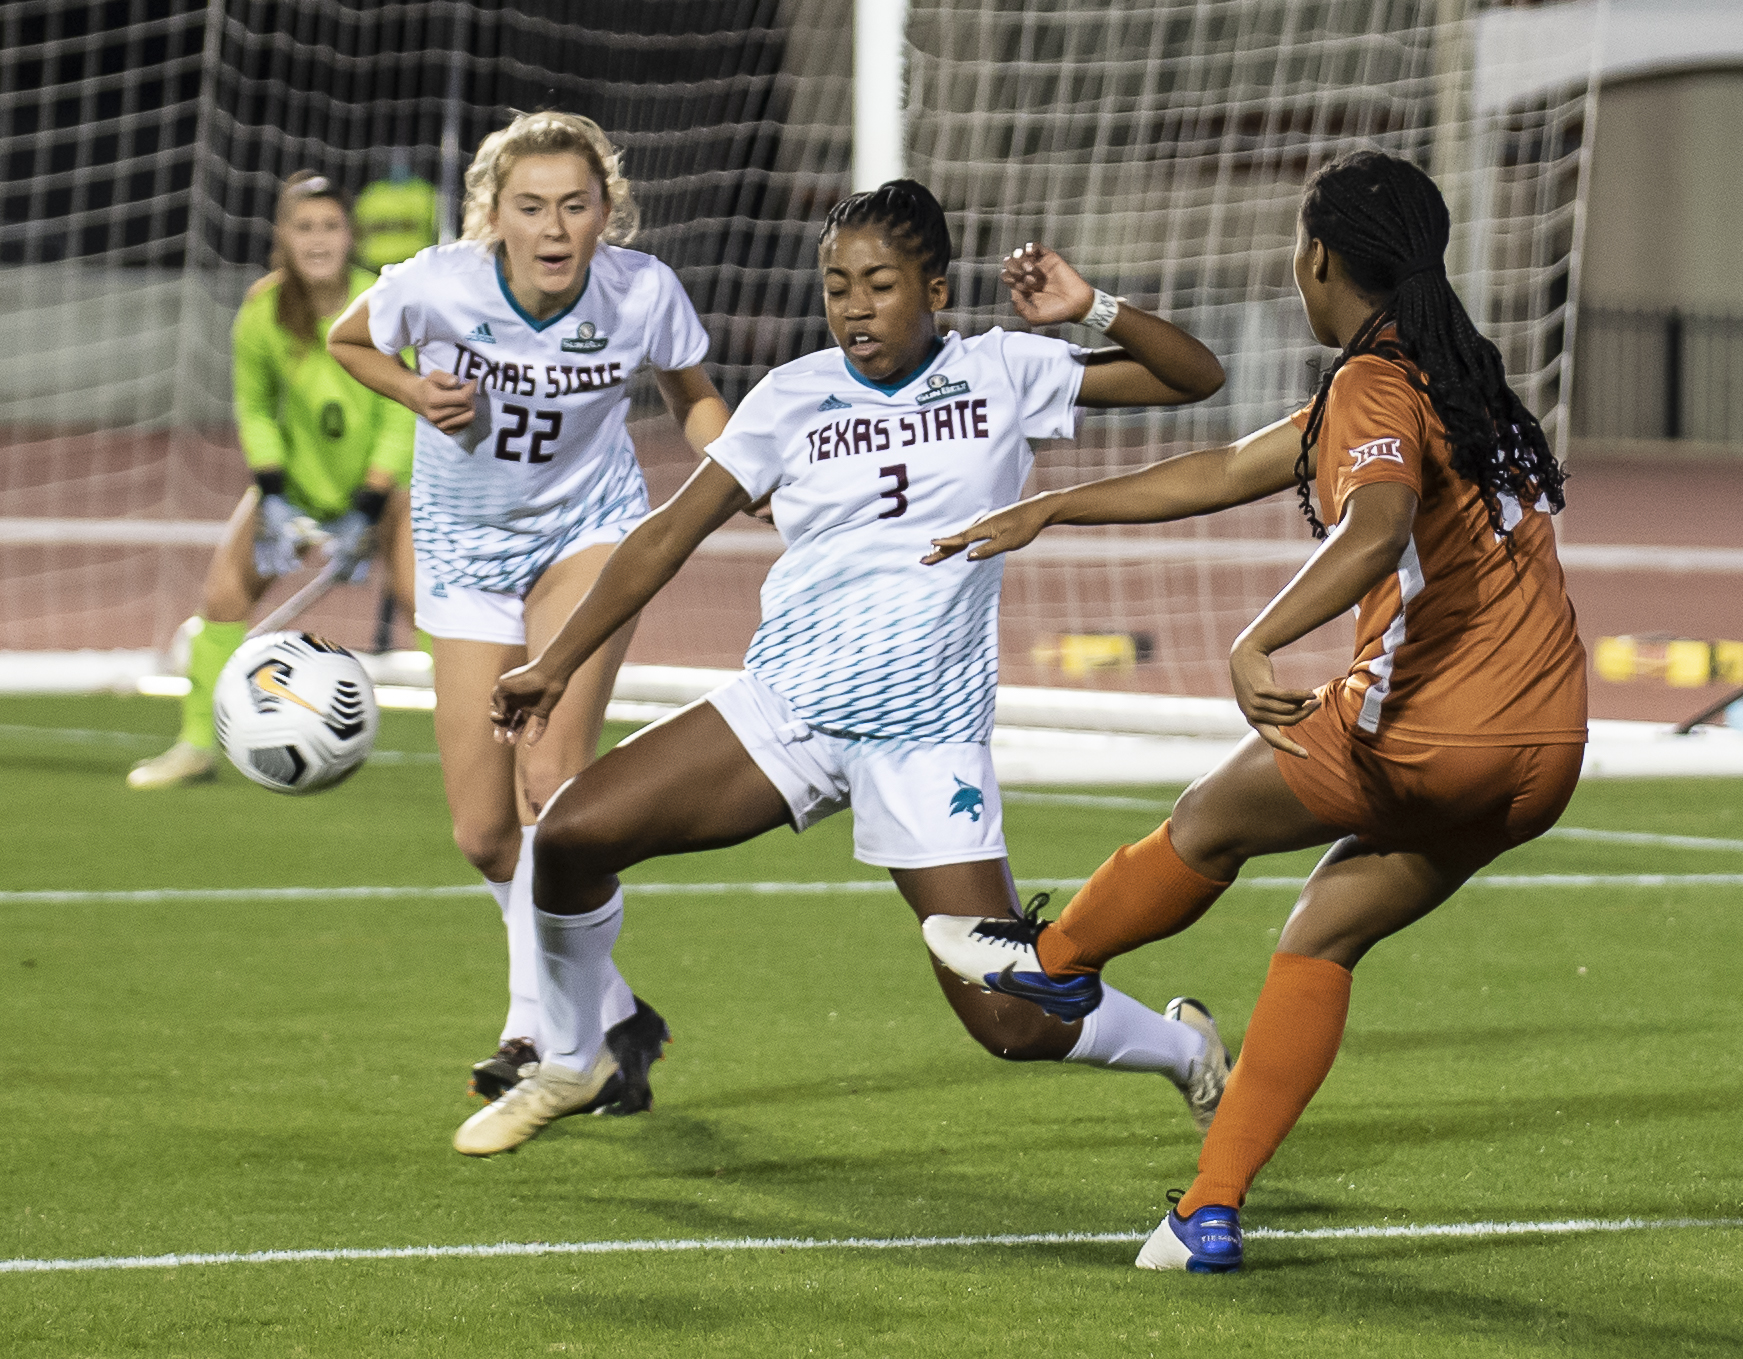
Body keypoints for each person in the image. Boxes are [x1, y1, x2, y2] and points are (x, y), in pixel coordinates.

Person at [921, 150, 1587, 1273]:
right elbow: (1226, 467)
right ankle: (1206, 1215)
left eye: (1298, 248)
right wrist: (1051, 509)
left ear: (1320, 259)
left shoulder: (1375, 385)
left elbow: (1375, 527)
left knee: (1211, 816)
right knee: (1322, 933)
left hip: (1436, 725)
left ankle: (1057, 962)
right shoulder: (1450, 379)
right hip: (1547, 746)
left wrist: (1259, 638)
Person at [469, 179, 1230, 1159]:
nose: (856, 307)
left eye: (879, 284)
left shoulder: (1006, 370)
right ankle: (574, 1061)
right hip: (788, 709)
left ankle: (1182, 1048)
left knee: (1012, 1021)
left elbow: (1194, 379)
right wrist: (557, 664)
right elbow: (666, 536)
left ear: (939, 292)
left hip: (925, 738)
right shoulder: (792, 396)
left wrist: (1092, 311)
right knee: (571, 837)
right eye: (837, 287)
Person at [328, 112, 731, 1114]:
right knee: (484, 836)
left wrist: (742, 467)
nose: (554, 229)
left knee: (548, 779)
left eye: (575, 206)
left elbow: (694, 398)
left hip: (590, 539)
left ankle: (538, 1034)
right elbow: (350, 340)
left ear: (607, 213)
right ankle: (619, 1018)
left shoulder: (643, 293)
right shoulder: (439, 284)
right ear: (493, 217)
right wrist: (415, 394)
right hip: (466, 558)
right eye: (531, 207)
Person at [129, 171, 415, 790]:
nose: (317, 240)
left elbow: (401, 409)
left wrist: (371, 504)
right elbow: (254, 408)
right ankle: (196, 745)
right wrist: (276, 496)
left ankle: (485, 753)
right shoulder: (262, 311)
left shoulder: (384, 301)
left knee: (433, 609)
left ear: (351, 235)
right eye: (303, 226)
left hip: (385, 491)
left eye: (330, 226)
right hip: (294, 489)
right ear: (282, 236)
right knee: (222, 601)